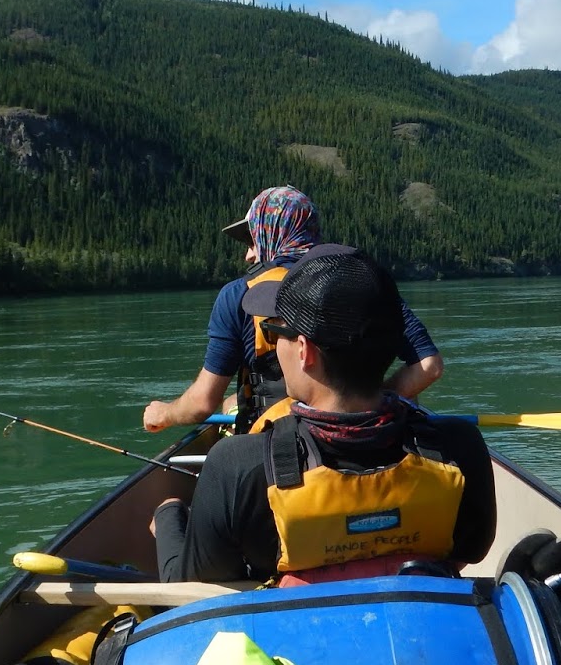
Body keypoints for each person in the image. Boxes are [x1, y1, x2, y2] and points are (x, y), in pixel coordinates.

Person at [151, 246, 494, 585]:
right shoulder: (459, 447)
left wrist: (168, 515)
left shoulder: (237, 466)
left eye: (274, 332)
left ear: (304, 351)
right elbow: (471, 550)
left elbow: (193, 586)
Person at [142, 185, 442, 434]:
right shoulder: (361, 281)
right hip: (365, 431)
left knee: (229, 405)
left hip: (277, 443)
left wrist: (164, 413)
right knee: (231, 401)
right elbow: (428, 366)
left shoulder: (237, 295)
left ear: (270, 233)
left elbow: (201, 404)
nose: (248, 255)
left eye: (252, 239)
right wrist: (373, 401)